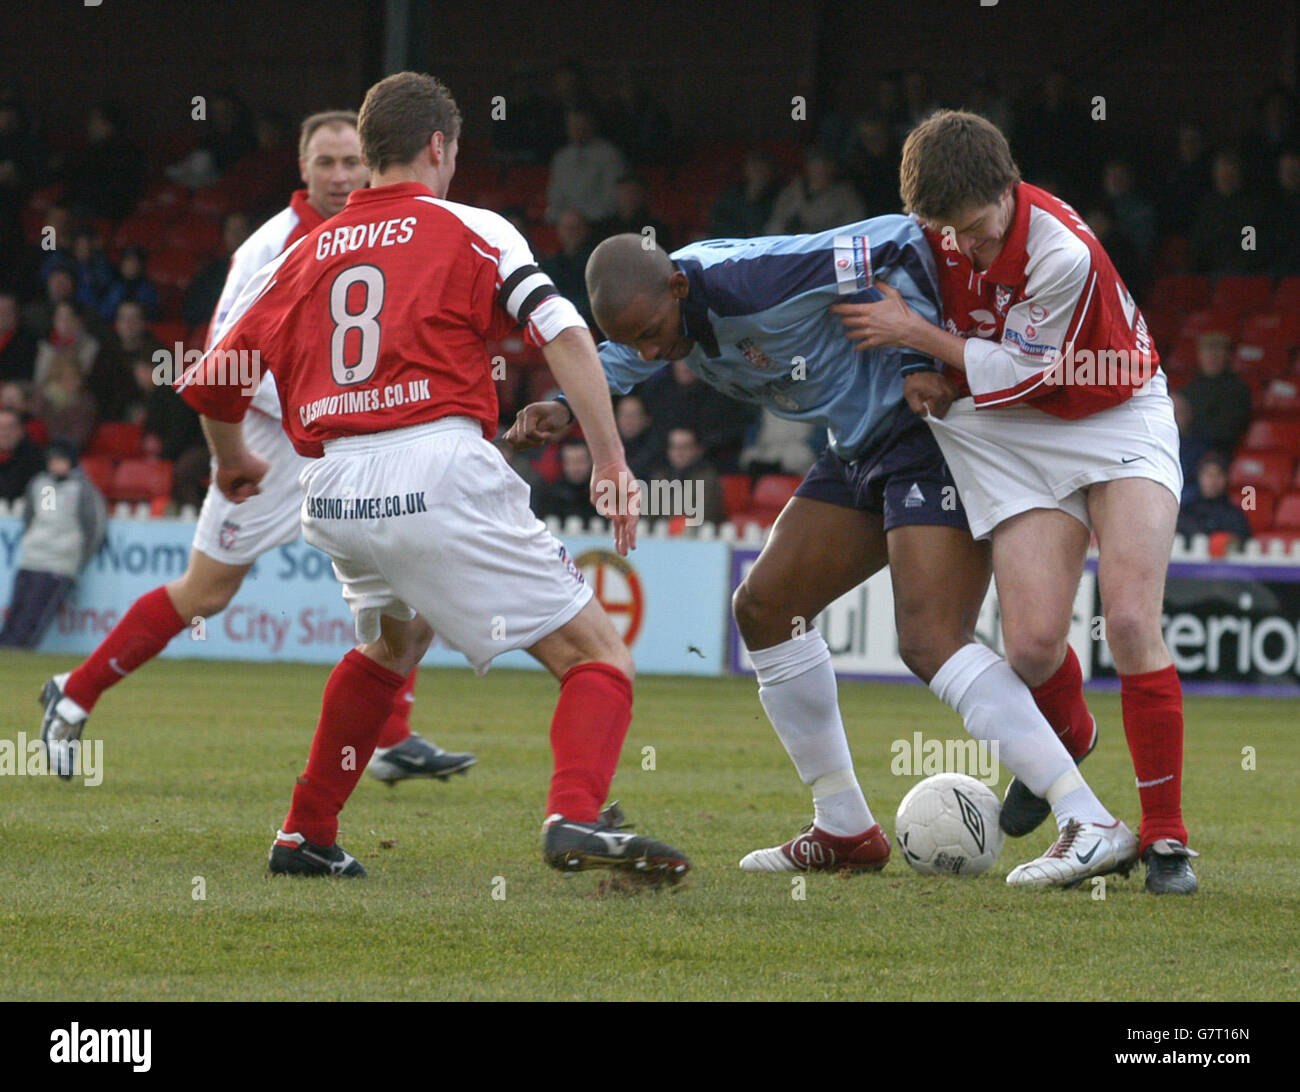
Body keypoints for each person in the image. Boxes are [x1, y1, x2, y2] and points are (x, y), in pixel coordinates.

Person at [174, 72, 689, 882]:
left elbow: (214, 381)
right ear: (439, 146)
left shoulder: (302, 252)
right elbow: (563, 335)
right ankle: (576, 815)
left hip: (333, 486)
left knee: (393, 643)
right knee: (598, 655)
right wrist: (611, 461)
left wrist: (233, 458)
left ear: (370, 151)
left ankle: (305, 834)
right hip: (436, 465)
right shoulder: (473, 228)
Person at [511, 223, 1129, 885]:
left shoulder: (755, 279)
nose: (650, 350)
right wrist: (564, 405)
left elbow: (901, 244)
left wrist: (916, 361)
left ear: (680, 287)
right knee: (765, 609)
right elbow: (620, 358)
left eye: (652, 332)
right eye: (634, 339)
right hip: (857, 445)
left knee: (930, 638)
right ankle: (844, 827)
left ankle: (1088, 819)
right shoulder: (661, 315)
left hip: (928, 429)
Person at [38, 109, 474, 788]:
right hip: (270, 442)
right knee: (207, 592)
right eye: (326, 163)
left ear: (370, 164)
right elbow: (224, 356)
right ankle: (74, 692)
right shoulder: (269, 245)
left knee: (404, 567)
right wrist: (238, 446)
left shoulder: (386, 229)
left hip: (345, 438)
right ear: (302, 168)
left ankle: (389, 738)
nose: (340, 176)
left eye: (351, 162)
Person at [832, 110, 1197, 893]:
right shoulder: (928, 233)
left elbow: (1025, 373)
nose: (966, 248)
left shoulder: (1062, 252)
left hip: (1113, 413)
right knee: (1029, 648)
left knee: (1130, 621)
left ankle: (1166, 839)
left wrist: (916, 337)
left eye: (978, 231)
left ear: (1009, 188)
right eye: (949, 234)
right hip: (1015, 433)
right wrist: (911, 364)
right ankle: (1068, 739)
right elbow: (890, 299)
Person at [0, 441, 106, 652]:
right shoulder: (41, 484)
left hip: (59, 563)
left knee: (33, 618)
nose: (55, 465)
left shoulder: (83, 489)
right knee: (16, 613)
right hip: (31, 558)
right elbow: (33, 517)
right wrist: (33, 541)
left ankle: (20, 654)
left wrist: (76, 560)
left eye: (61, 460)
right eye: (52, 460)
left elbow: (94, 529)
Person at [1179, 331, 1253, 459]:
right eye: (1207, 351)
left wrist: (1190, 424)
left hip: (1218, 452)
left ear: (1227, 356)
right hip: (1186, 446)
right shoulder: (1189, 388)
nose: (1212, 357)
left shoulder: (1237, 389)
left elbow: (1228, 431)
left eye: (1217, 351)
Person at [1177, 452, 1252, 546]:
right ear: (1199, 477)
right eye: (1209, 474)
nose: (1213, 480)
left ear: (1226, 478)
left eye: (1218, 475)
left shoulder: (1235, 516)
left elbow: (1245, 542)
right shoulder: (1186, 512)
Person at [0, 404, 42, 502]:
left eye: (10, 427)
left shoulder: (36, 459)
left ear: (21, 431)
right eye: (0, 427)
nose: (5, 433)